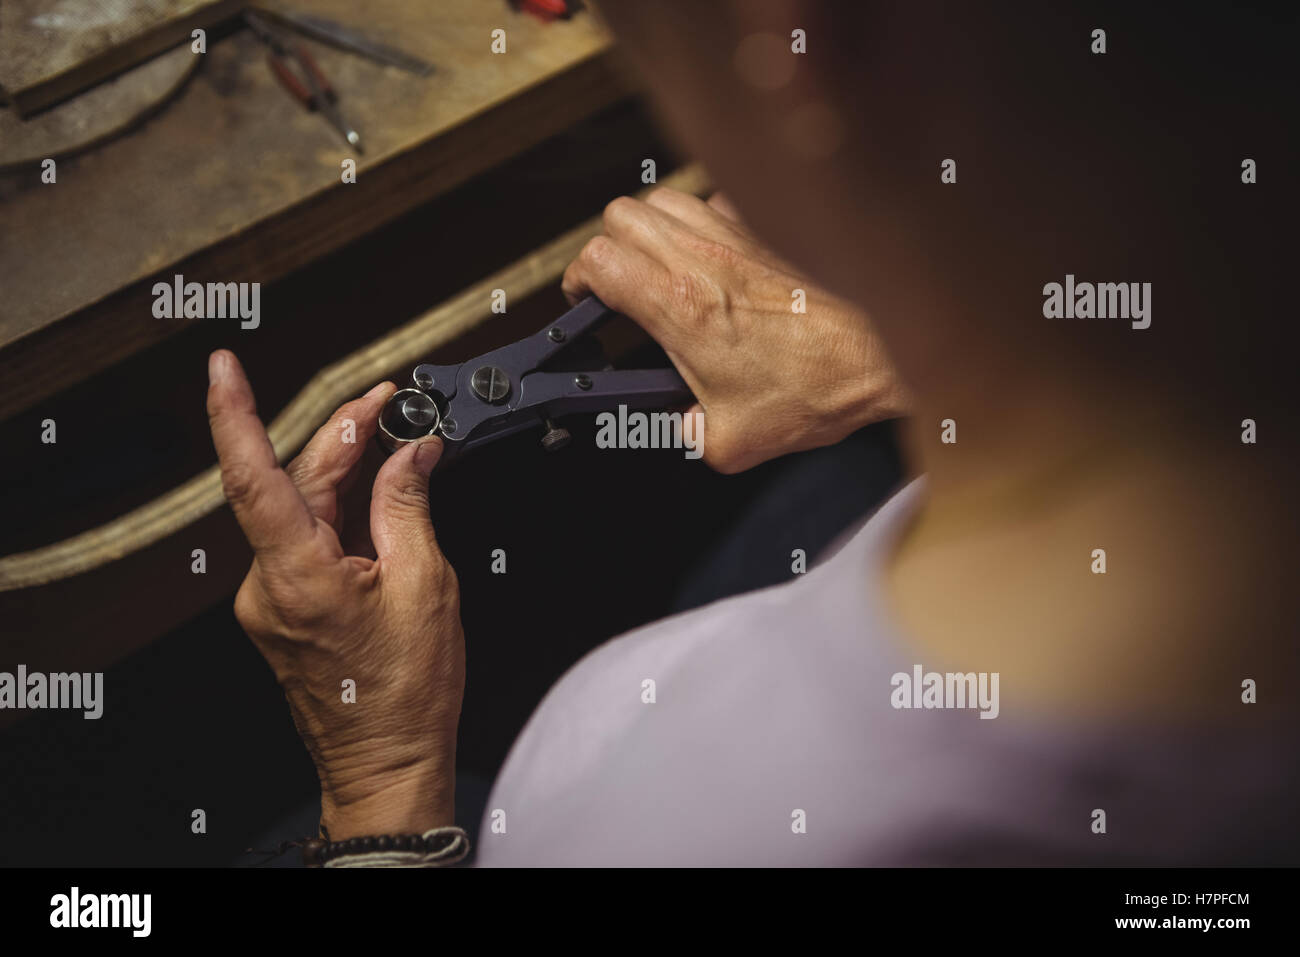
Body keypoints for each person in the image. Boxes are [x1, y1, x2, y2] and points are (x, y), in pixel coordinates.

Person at [205, 2, 1297, 865]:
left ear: (790, 43)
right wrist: (898, 349)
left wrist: (380, 784)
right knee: (802, 506)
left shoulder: (680, 832)